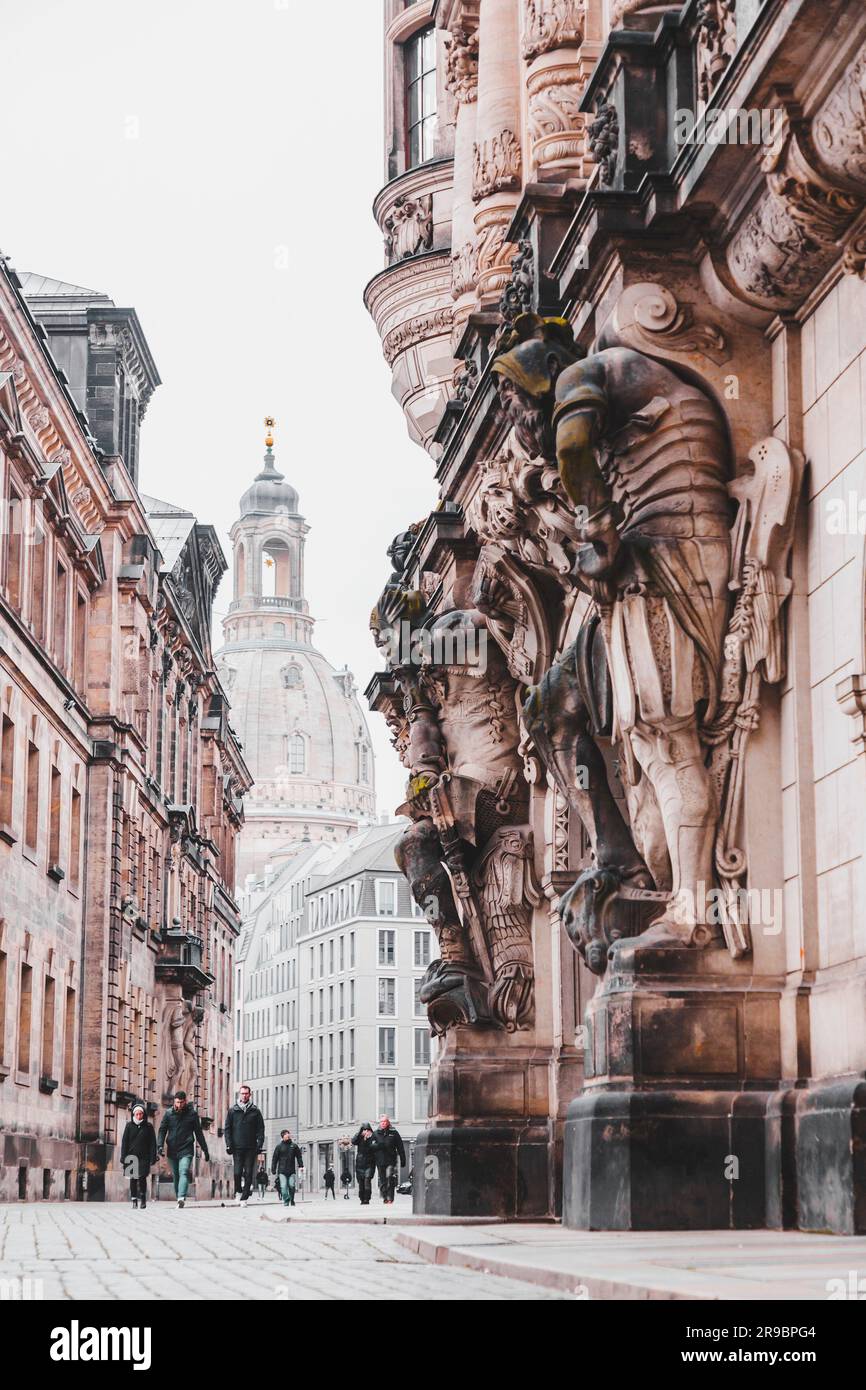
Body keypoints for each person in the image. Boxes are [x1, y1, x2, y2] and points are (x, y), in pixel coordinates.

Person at [157, 1090, 209, 1209]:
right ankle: (179, 1197)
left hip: (186, 1148)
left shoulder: (192, 1114)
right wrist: (159, 1145)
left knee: (184, 1171)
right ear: (174, 1102)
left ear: (185, 1101)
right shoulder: (168, 1114)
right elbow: (162, 1130)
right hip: (172, 1149)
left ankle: (181, 1197)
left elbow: (199, 1133)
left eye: (181, 1102)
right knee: (176, 1175)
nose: (179, 1105)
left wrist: (205, 1149)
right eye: (177, 1102)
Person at [224, 1084, 265, 1206]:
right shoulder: (232, 1111)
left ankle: (244, 1198)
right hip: (237, 1147)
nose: (244, 1095)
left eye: (246, 1093)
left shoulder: (255, 1111)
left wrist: (259, 1143)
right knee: (237, 1172)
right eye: (242, 1093)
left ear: (250, 1095)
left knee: (248, 1173)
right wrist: (228, 1144)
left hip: (251, 1147)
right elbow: (227, 1129)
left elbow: (261, 1129)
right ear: (239, 1094)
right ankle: (238, 1191)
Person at [120, 1102, 157, 1210]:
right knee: (133, 1179)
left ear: (143, 1114)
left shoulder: (149, 1126)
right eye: (137, 1114)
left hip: (144, 1157)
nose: (139, 1116)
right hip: (131, 1156)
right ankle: (134, 1200)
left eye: (141, 1114)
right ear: (133, 1115)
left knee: (142, 1178)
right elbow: (124, 1142)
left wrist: (153, 1157)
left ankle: (143, 1199)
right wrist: (123, 1157)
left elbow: (152, 1143)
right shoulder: (129, 1126)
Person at [372, 1115, 406, 1205]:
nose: (383, 1123)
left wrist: (403, 1159)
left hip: (391, 1160)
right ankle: (385, 1197)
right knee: (383, 1181)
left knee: (390, 1177)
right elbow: (371, 1148)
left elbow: (400, 1146)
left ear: (388, 1122)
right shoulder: (375, 1134)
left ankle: (390, 1197)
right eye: (381, 1122)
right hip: (380, 1161)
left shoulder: (394, 1133)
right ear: (380, 1123)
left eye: (385, 1121)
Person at [271, 1129, 304, 1207]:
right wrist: (273, 1169)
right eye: (286, 1134)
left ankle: (292, 1199)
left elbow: (299, 1156)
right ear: (283, 1136)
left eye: (288, 1133)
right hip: (282, 1171)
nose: (288, 1135)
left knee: (292, 1185)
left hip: (291, 1170)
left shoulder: (294, 1146)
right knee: (283, 1186)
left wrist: (301, 1166)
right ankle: (286, 1200)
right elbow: (275, 1158)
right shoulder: (279, 1147)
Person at [351, 1122, 377, 1206]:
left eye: (367, 1129)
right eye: (364, 1129)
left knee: (367, 1180)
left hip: (369, 1162)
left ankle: (367, 1198)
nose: (366, 1131)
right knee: (361, 1182)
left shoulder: (373, 1136)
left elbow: (375, 1147)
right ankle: (362, 1198)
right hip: (360, 1163)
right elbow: (353, 1141)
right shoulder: (359, 1136)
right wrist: (360, 1134)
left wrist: (369, 1139)